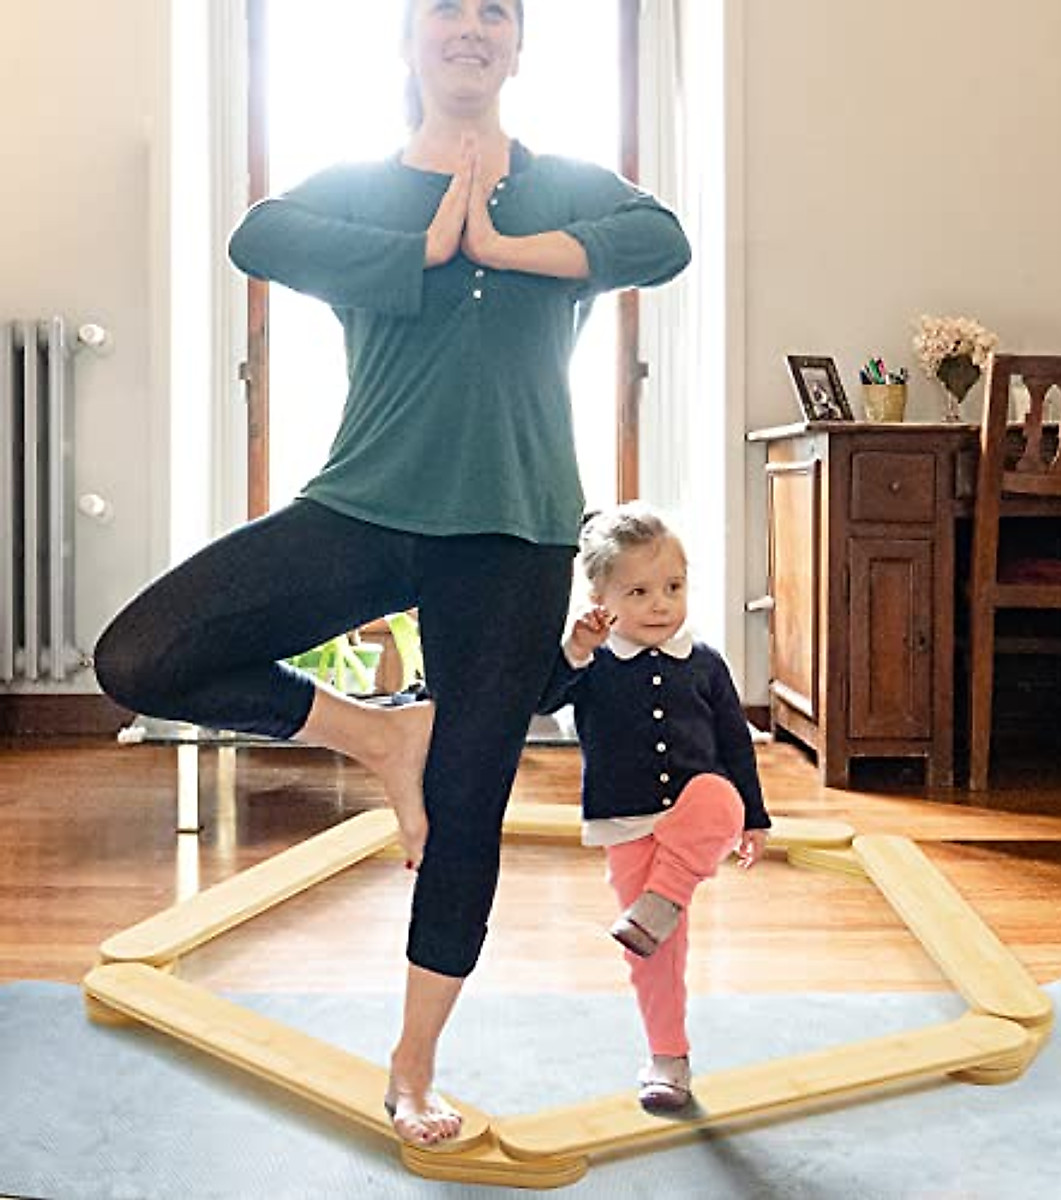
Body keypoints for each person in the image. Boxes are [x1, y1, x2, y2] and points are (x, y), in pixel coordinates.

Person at [92, 0, 690, 1147]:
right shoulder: (361, 187)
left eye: (495, 14)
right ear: (412, 42)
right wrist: (422, 248)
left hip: (514, 530)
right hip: (365, 505)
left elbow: (662, 242)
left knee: (466, 809)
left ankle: (413, 1068)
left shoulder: (567, 185)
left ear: (517, 45)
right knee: (141, 654)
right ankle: (377, 735)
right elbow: (257, 236)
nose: (471, 29)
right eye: (447, 12)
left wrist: (509, 251)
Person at [536, 504, 771, 1112]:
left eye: (672, 587)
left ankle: (661, 901)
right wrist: (575, 650)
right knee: (657, 953)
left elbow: (736, 744)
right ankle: (667, 1056)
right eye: (638, 592)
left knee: (720, 793)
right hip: (626, 821)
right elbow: (542, 699)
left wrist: (755, 818)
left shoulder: (706, 664)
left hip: (697, 821)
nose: (660, 604)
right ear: (600, 596)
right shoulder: (592, 665)